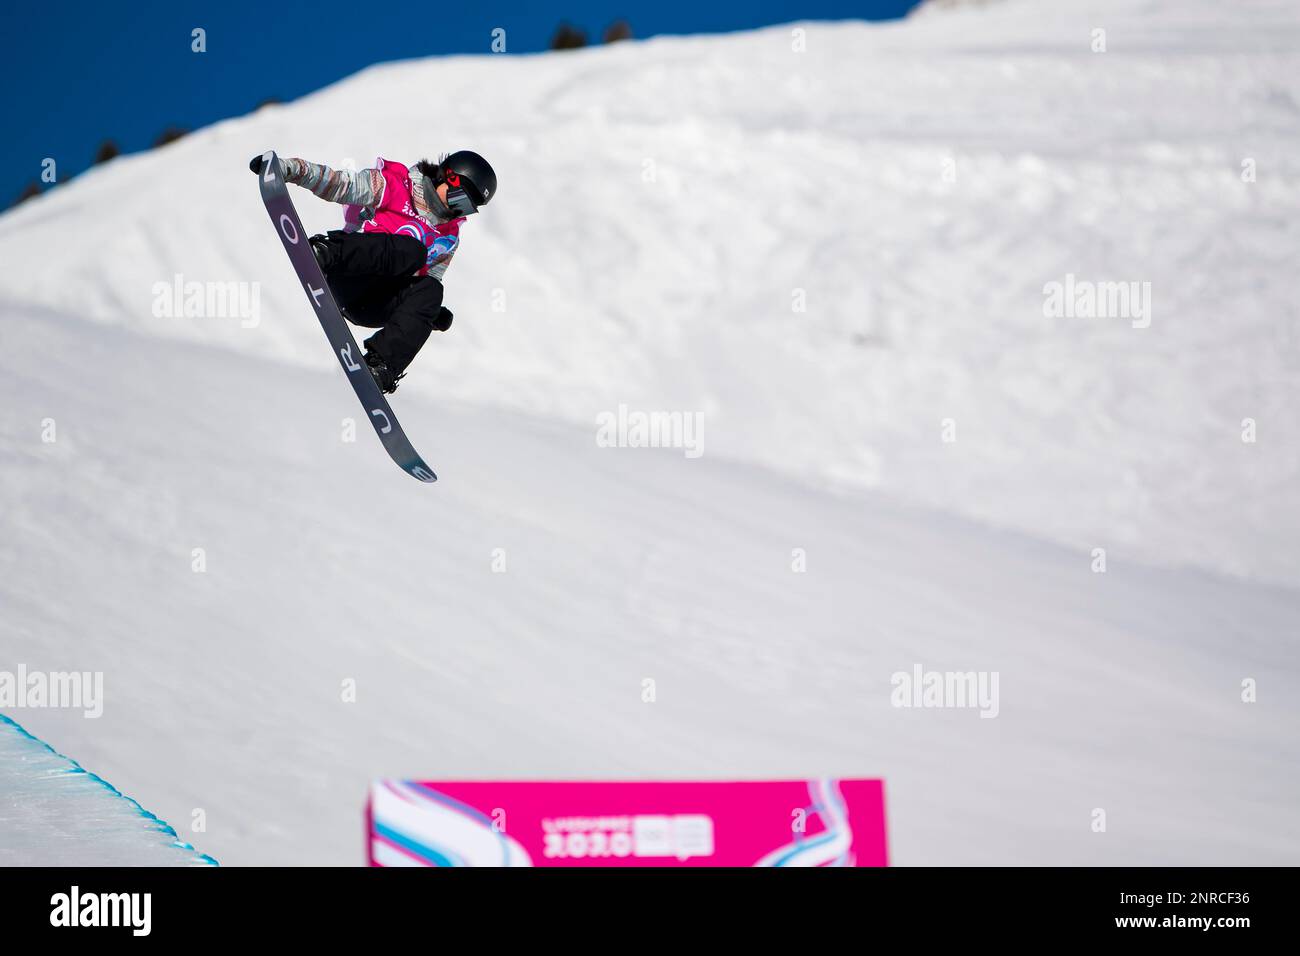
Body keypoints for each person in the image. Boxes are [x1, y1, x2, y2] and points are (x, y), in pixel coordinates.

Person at [249, 150, 497, 392]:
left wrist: (431, 313)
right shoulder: (395, 185)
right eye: (461, 200)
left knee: (432, 289)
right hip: (349, 275)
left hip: (372, 306)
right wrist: (288, 170)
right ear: (448, 177)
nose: (458, 211)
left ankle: (381, 367)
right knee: (412, 251)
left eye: (467, 209)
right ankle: (325, 252)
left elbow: (428, 279)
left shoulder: (448, 236)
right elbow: (339, 184)